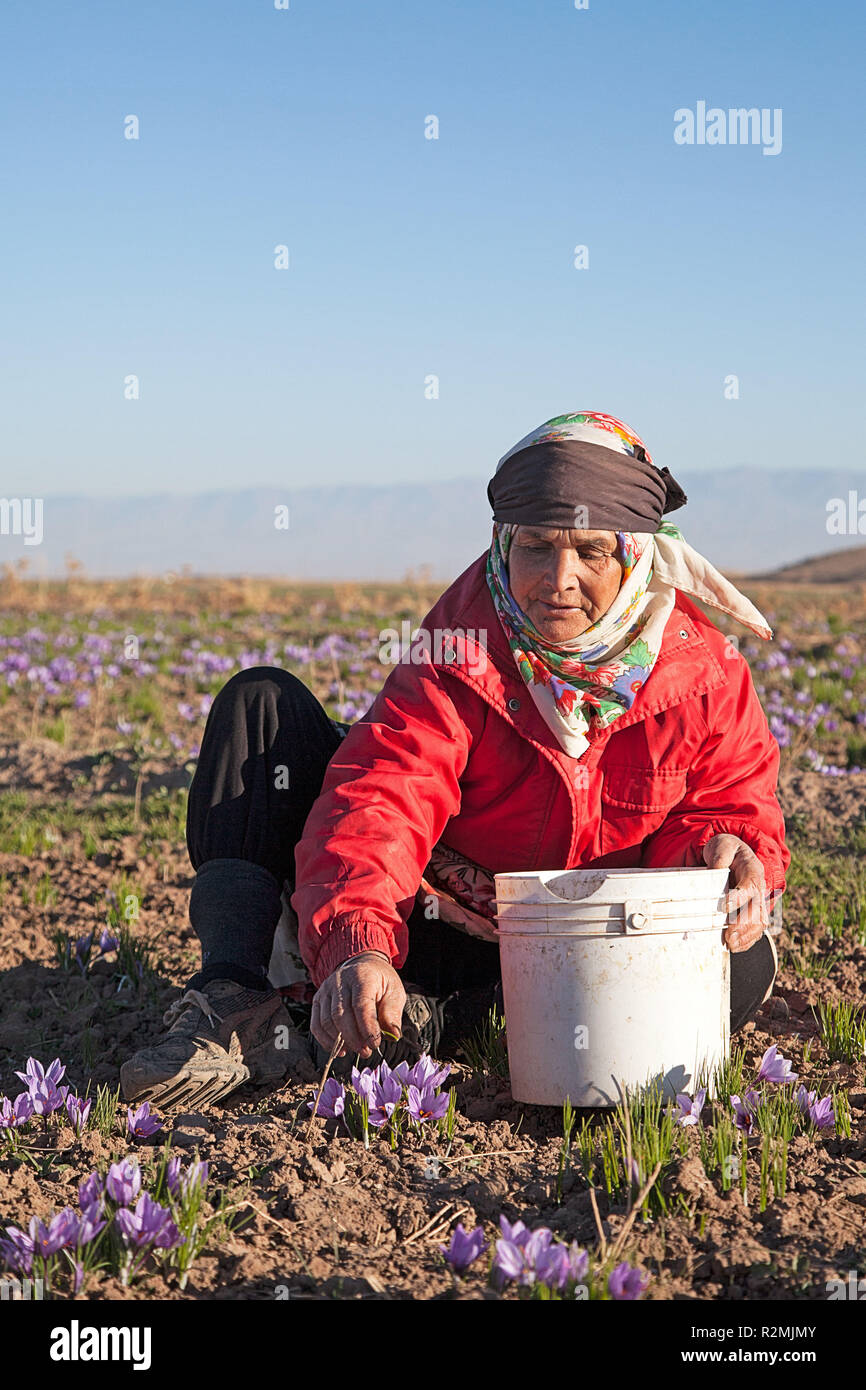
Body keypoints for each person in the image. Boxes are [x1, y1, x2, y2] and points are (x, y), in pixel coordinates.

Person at [121, 411, 790, 1109]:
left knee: (738, 964)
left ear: (634, 554)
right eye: (535, 546)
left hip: (590, 946)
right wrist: (362, 942)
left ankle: (432, 1026)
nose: (559, 580)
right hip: (440, 925)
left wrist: (727, 851)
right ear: (505, 543)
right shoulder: (460, 647)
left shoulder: (704, 674)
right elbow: (387, 795)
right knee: (263, 710)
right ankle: (236, 999)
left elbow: (727, 805)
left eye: (591, 551)